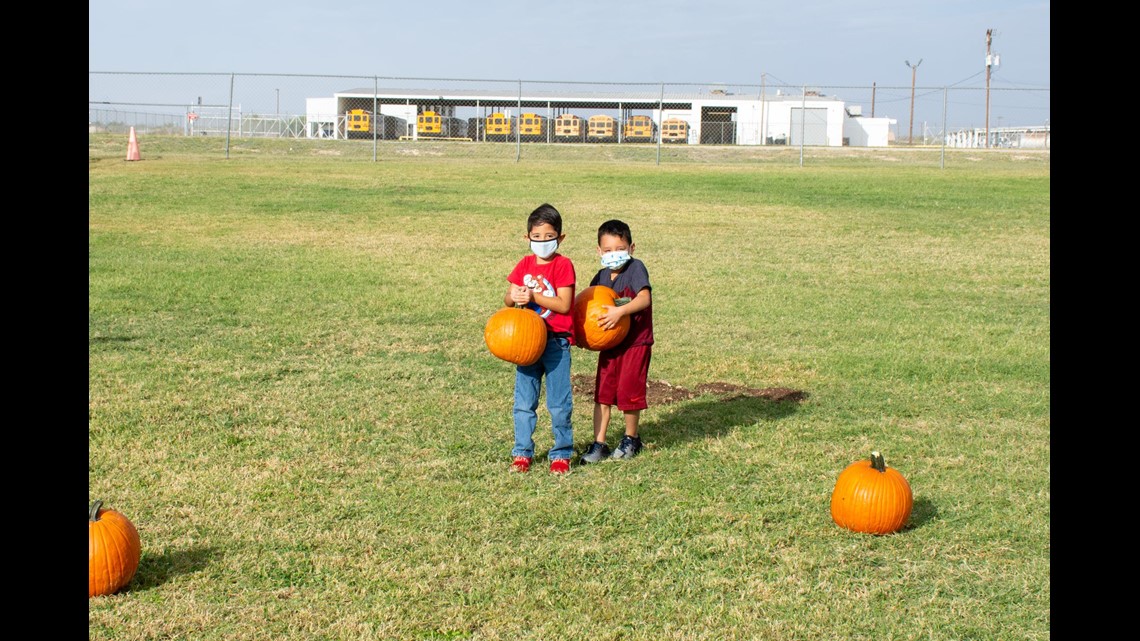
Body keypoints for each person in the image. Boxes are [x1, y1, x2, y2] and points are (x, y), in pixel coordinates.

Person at [502, 204, 577, 474]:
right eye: (537, 237)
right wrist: (517, 296)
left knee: (558, 403)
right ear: (527, 238)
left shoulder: (563, 265)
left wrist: (534, 297)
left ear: (560, 237)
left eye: (549, 237)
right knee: (524, 402)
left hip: (556, 342)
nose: (542, 242)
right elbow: (508, 299)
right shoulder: (524, 264)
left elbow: (565, 304)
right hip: (526, 344)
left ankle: (562, 452)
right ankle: (522, 452)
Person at [578, 219, 653, 464]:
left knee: (629, 392)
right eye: (608, 251)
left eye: (620, 249)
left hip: (635, 343)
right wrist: (580, 336)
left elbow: (644, 299)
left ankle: (631, 438)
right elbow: (585, 311)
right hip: (609, 345)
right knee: (603, 394)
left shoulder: (635, 268)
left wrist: (621, 312)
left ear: (632, 248)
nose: (614, 255)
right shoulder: (600, 276)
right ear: (599, 251)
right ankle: (599, 443)